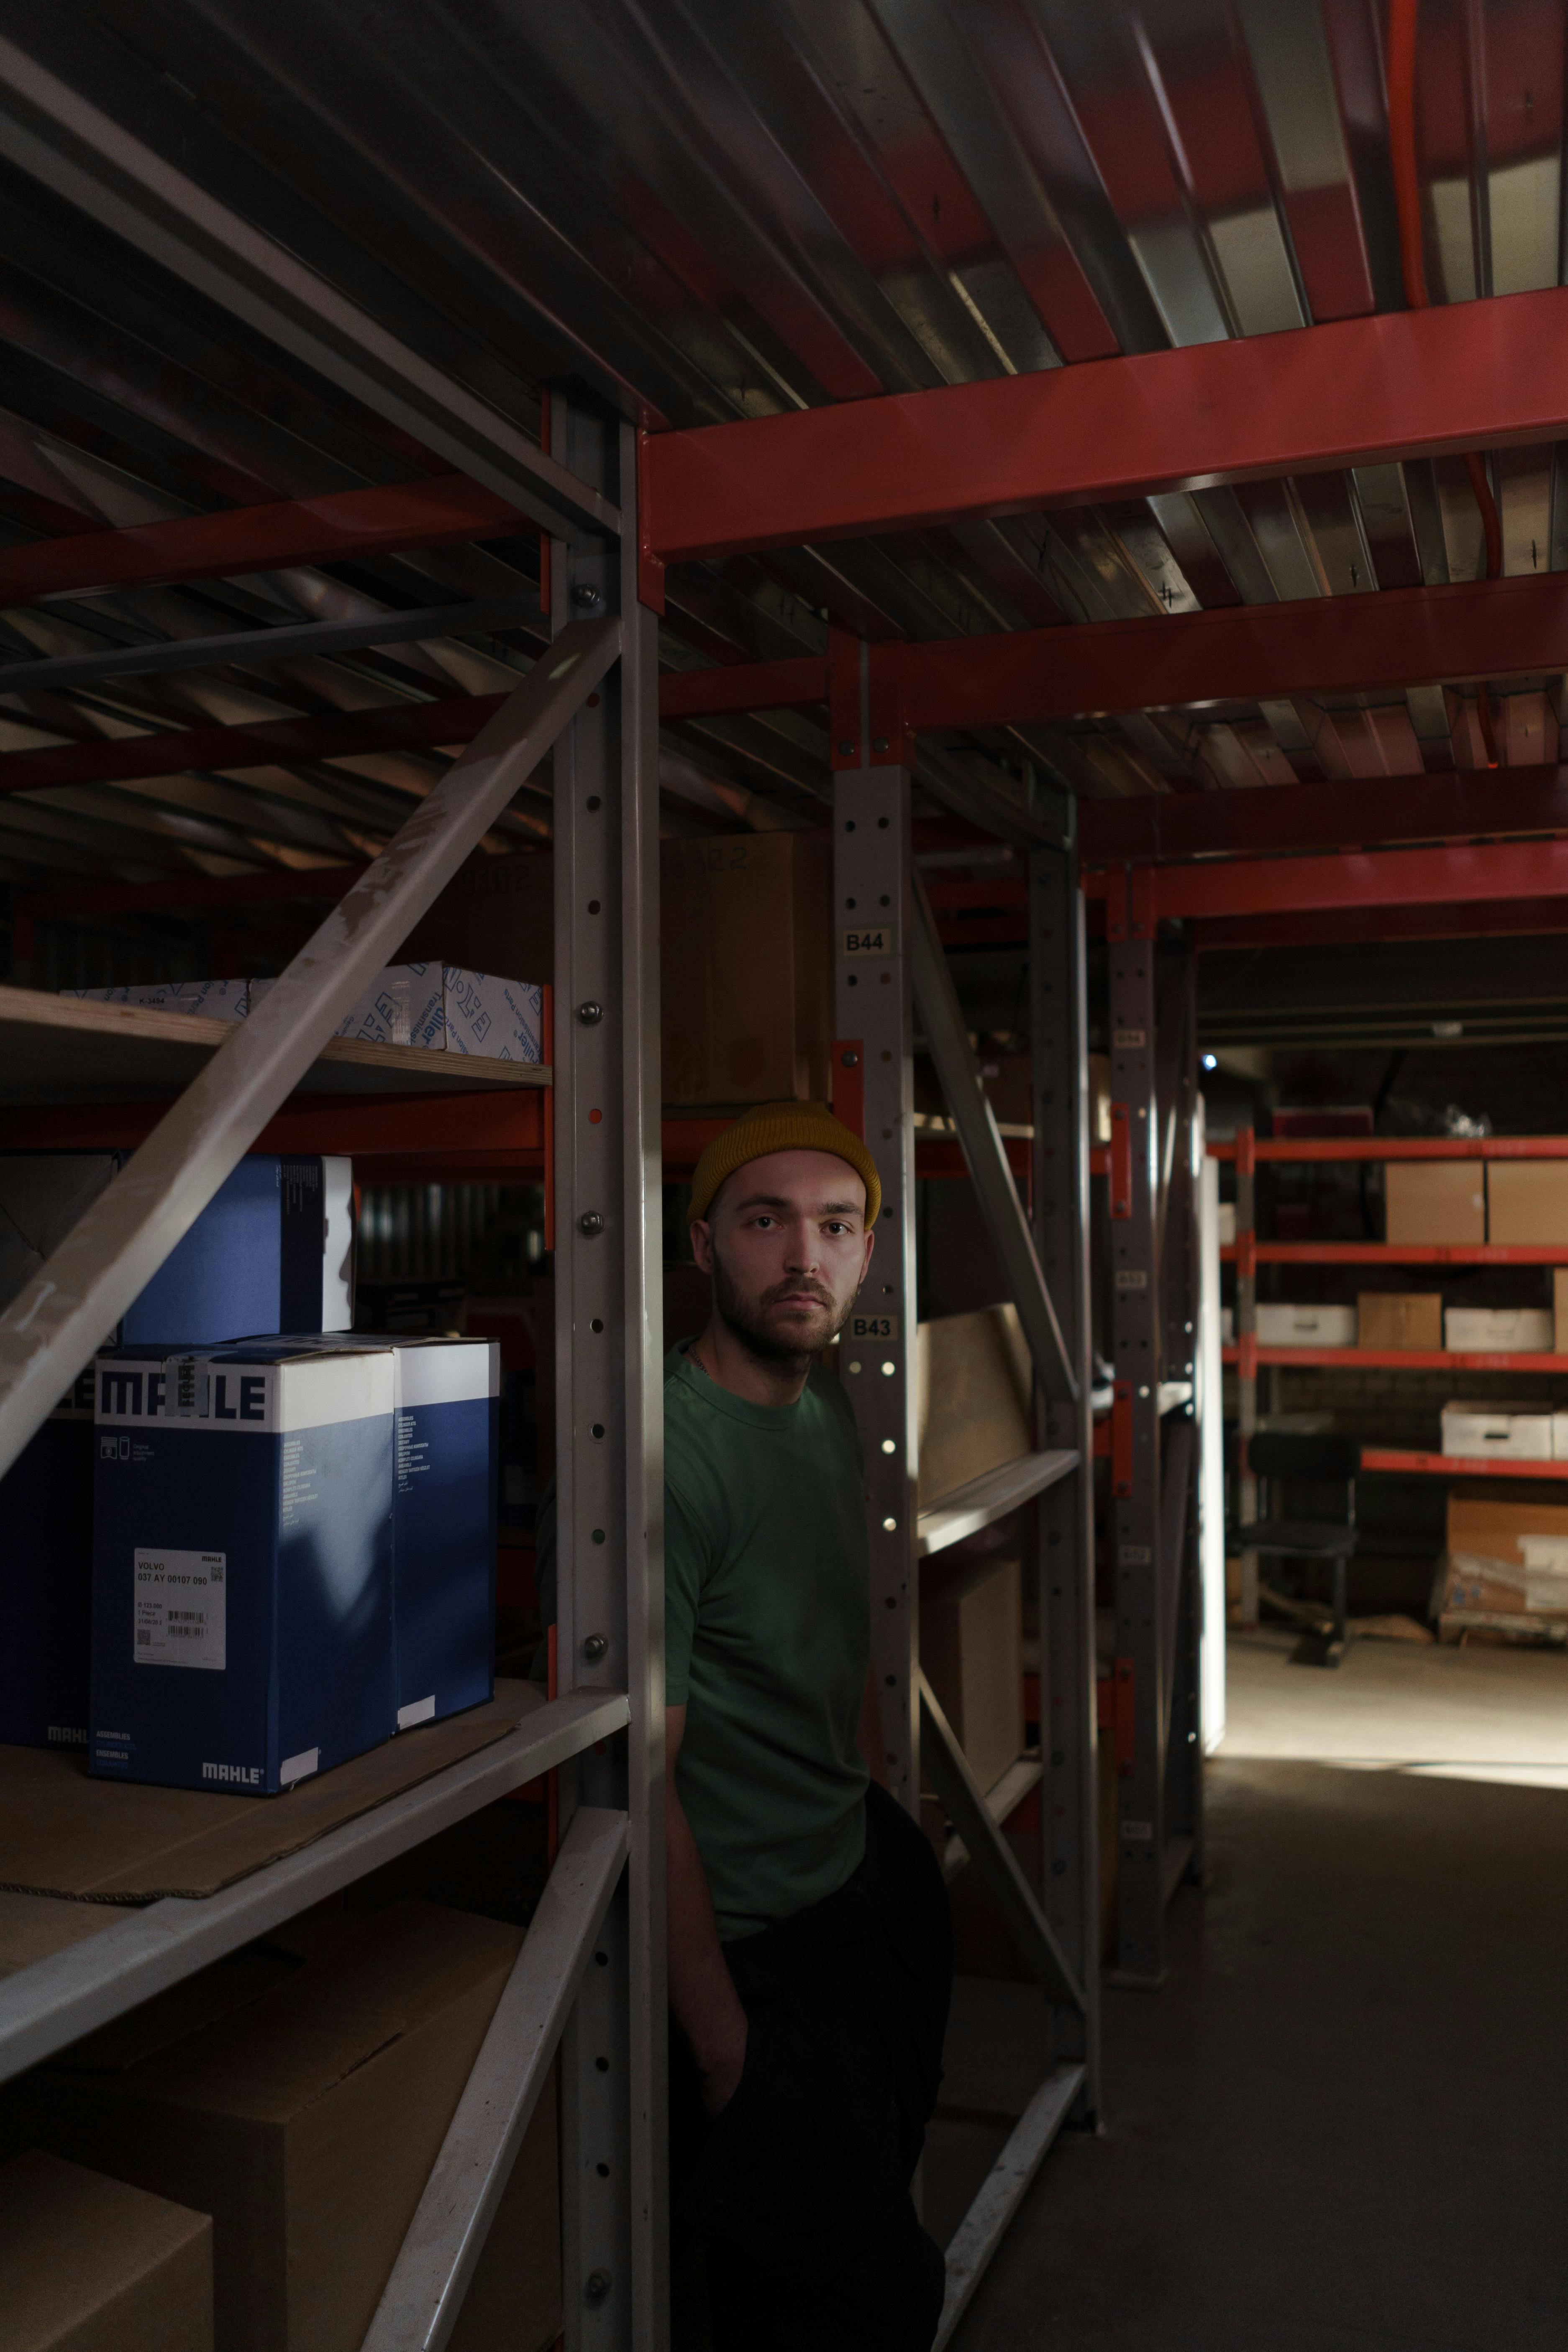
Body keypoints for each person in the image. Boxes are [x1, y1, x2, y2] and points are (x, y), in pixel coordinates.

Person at [664, 1100, 951, 2352]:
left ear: (867, 1254)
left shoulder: (821, 1403)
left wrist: (890, 1828)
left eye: (836, 1227)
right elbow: (636, 1783)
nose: (802, 1258)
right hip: (756, 1941)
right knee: (852, 2304)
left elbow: (832, 1655)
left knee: (875, 2218)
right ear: (701, 1245)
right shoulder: (671, 1457)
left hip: (858, 1880)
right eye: (764, 1221)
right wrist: (724, 2039)